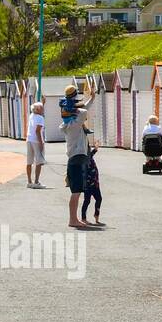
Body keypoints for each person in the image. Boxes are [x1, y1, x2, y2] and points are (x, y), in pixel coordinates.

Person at [64, 86, 95, 229]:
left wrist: (91, 99)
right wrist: (77, 105)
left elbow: (80, 109)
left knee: (76, 192)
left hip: (74, 159)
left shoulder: (67, 124)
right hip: (77, 159)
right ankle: (72, 220)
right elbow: (83, 110)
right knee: (76, 192)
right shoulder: (77, 122)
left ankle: (74, 218)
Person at [80, 141, 105, 227]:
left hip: (95, 183)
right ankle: (83, 218)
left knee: (99, 198)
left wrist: (96, 148)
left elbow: (91, 154)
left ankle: (96, 215)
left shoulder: (89, 156)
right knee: (87, 201)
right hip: (88, 184)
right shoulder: (84, 158)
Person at [26, 102, 48, 189]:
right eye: (42, 108)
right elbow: (38, 131)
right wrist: (41, 142)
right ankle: (36, 182)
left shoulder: (31, 115)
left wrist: (43, 102)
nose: (43, 110)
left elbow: (35, 107)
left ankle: (29, 182)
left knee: (29, 161)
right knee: (39, 162)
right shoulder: (40, 118)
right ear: (38, 110)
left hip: (29, 139)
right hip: (36, 141)